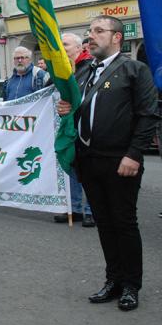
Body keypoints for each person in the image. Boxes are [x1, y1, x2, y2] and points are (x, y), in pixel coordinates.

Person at [57, 16, 159, 312]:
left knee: (123, 222)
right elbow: (75, 108)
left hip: (120, 159)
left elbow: (148, 115)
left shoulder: (134, 69)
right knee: (104, 222)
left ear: (117, 37)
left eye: (99, 31)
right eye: (90, 31)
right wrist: (66, 108)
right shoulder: (84, 71)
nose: (91, 36)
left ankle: (130, 285)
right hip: (89, 159)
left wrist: (134, 155)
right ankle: (113, 279)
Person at [55, 32, 95, 227]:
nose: (62, 48)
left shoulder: (89, 68)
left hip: (87, 127)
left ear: (80, 48)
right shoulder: (62, 69)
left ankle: (91, 210)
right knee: (72, 165)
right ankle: (76, 208)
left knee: (88, 169)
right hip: (69, 126)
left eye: (66, 45)